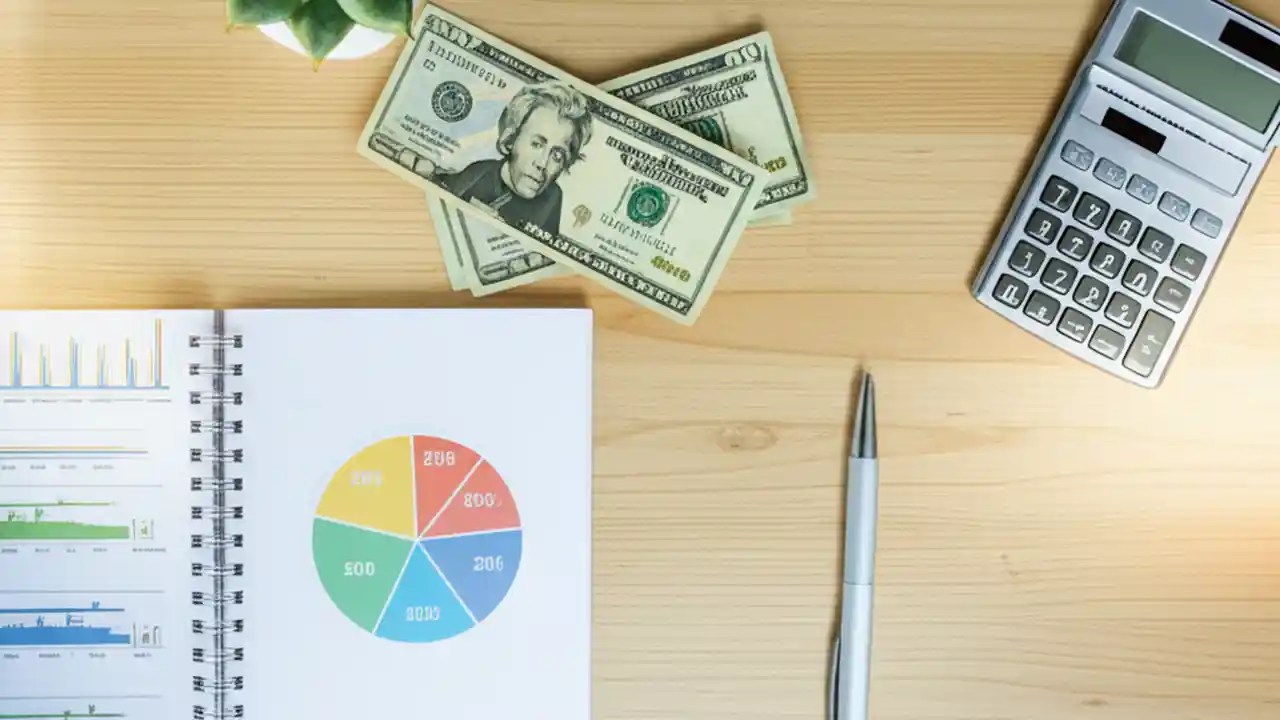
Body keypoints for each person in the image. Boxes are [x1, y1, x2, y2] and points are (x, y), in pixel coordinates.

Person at [436, 82, 594, 238]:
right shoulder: (479, 175)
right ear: (510, 140)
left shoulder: (552, 197)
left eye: (557, 156)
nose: (542, 164)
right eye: (537, 144)